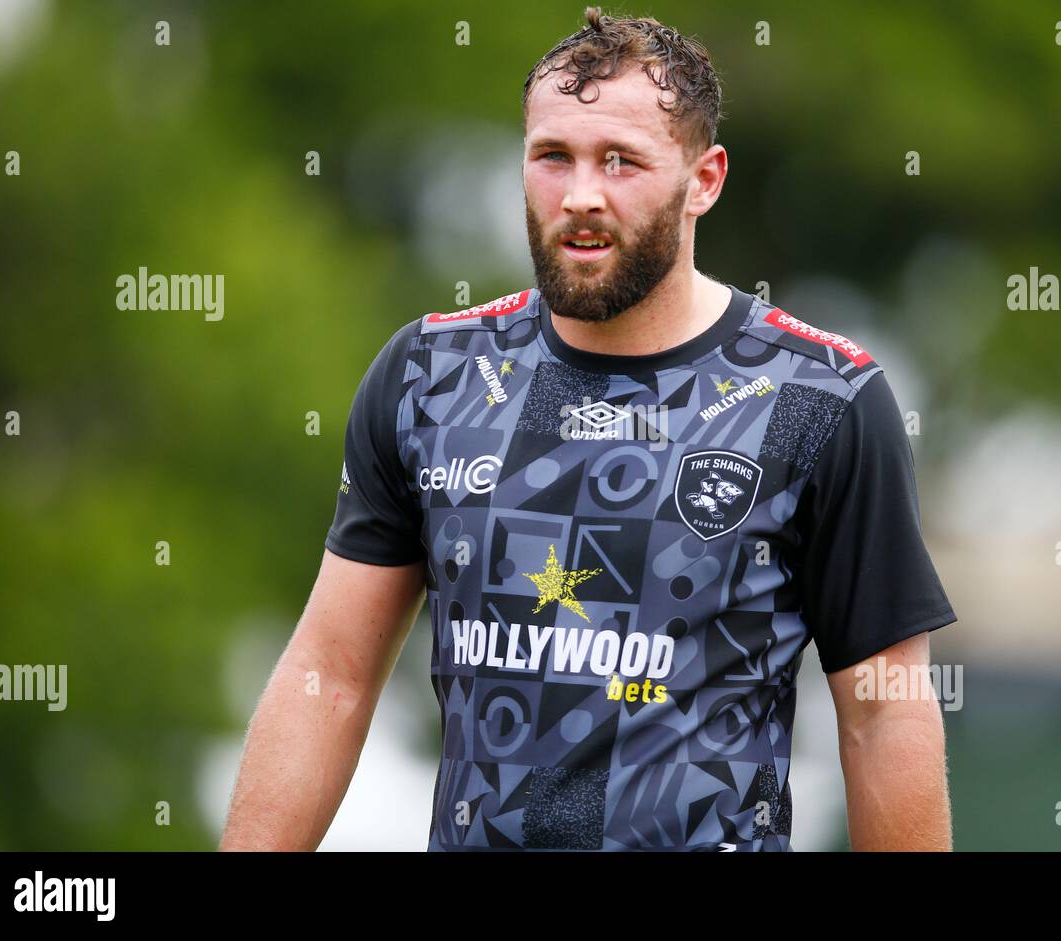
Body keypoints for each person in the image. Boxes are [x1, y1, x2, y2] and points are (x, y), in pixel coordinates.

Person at [220, 6, 957, 852]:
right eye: (552, 157)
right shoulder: (430, 375)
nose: (580, 196)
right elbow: (333, 678)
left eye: (621, 161)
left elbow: (882, 716)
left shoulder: (822, 398)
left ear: (704, 180)